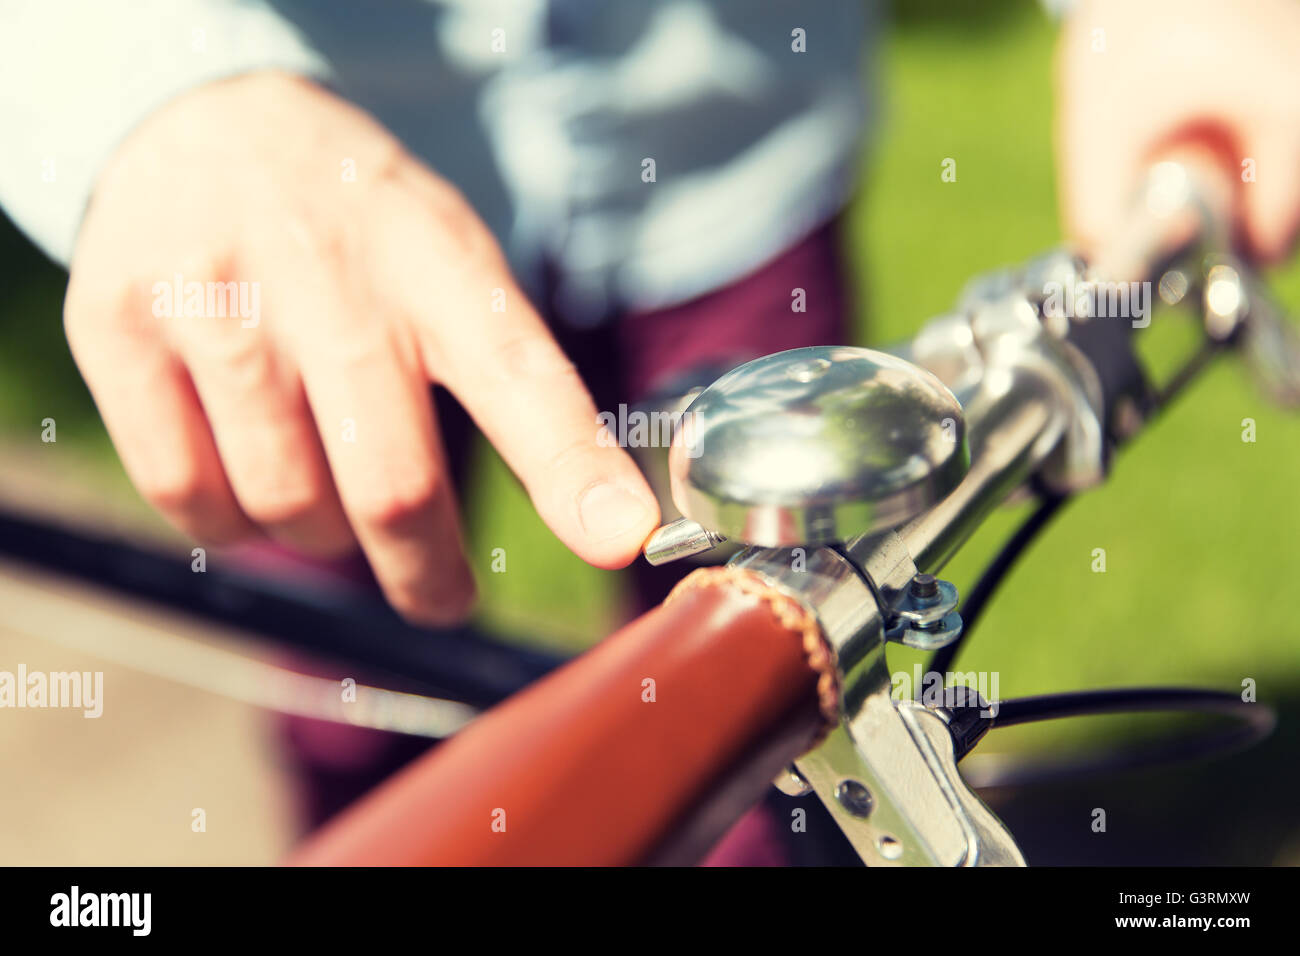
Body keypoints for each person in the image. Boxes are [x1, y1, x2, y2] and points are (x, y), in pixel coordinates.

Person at [2, 0, 1298, 860]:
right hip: (301, 246)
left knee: (750, 762)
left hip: (728, 166)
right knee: (355, 733)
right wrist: (139, 88)